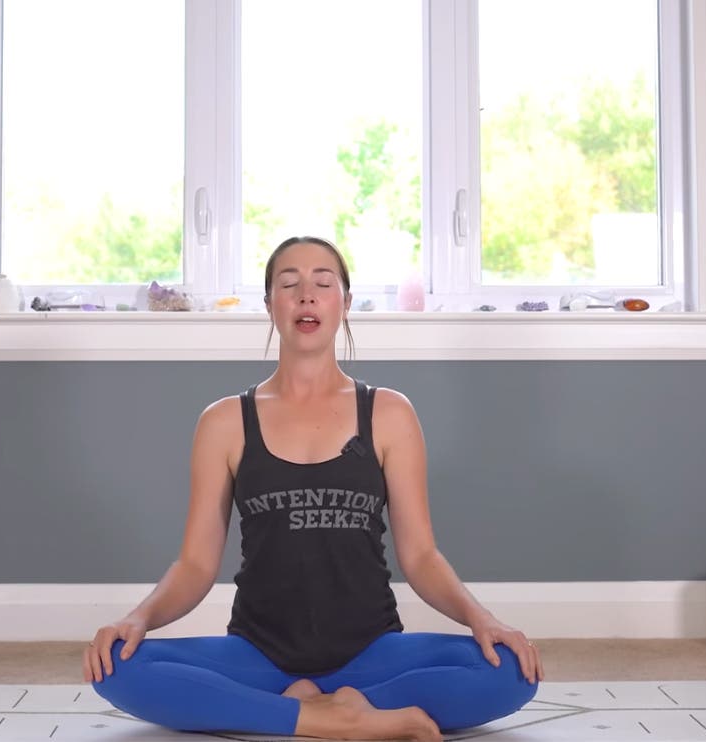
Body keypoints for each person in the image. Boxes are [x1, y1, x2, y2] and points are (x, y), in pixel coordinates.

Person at [83, 236, 543, 741]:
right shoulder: (224, 422)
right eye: (289, 284)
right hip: (259, 654)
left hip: (371, 655)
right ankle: (341, 719)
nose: (306, 295)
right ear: (270, 305)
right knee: (117, 666)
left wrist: (482, 619)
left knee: (512, 669)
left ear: (344, 303)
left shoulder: (389, 413)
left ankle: (306, 711)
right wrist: (138, 618)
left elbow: (422, 556)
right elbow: (195, 564)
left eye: (323, 284)